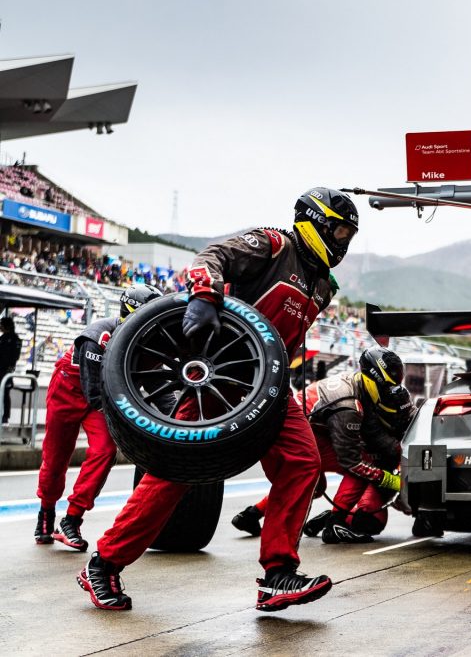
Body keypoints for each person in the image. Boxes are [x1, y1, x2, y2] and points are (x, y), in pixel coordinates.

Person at [78, 187, 359, 612]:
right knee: (173, 478)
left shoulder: (325, 286)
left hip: (270, 387)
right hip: (218, 380)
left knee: (304, 463)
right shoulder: (272, 244)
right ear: (315, 221)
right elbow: (212, 256)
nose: (342, 242)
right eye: (338, 232)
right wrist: (206, 295)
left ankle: (277, 575)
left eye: (348, 235)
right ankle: (103, 564)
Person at [233, 347, 414, 544]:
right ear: (373, 379)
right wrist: (389, 480)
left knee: (314, 486)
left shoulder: (360, 386)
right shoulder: (348, 406)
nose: (390, 392)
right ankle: (335, 524)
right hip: (294, 432)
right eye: (387, 387)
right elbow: (351, 462)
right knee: (361, 464)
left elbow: (372, 431)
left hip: (294, 428)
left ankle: (251, 514)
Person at [34, 285, 163, 549]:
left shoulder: (150, 344)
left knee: (105, 451)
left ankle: (71, 520)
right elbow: (93, 392)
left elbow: (158, 388)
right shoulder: (98, 334)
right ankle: (46, 512)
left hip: (102, 397)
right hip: (70, 389)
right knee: (55, 457)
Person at [0, 316, 22, 423]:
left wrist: (9, 366)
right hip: (1, 370)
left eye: (1, 324)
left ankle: (5, 416)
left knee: (5, 393)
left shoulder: (14, 339)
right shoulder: (2, 338)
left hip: (6, 371)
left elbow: (14, 356)